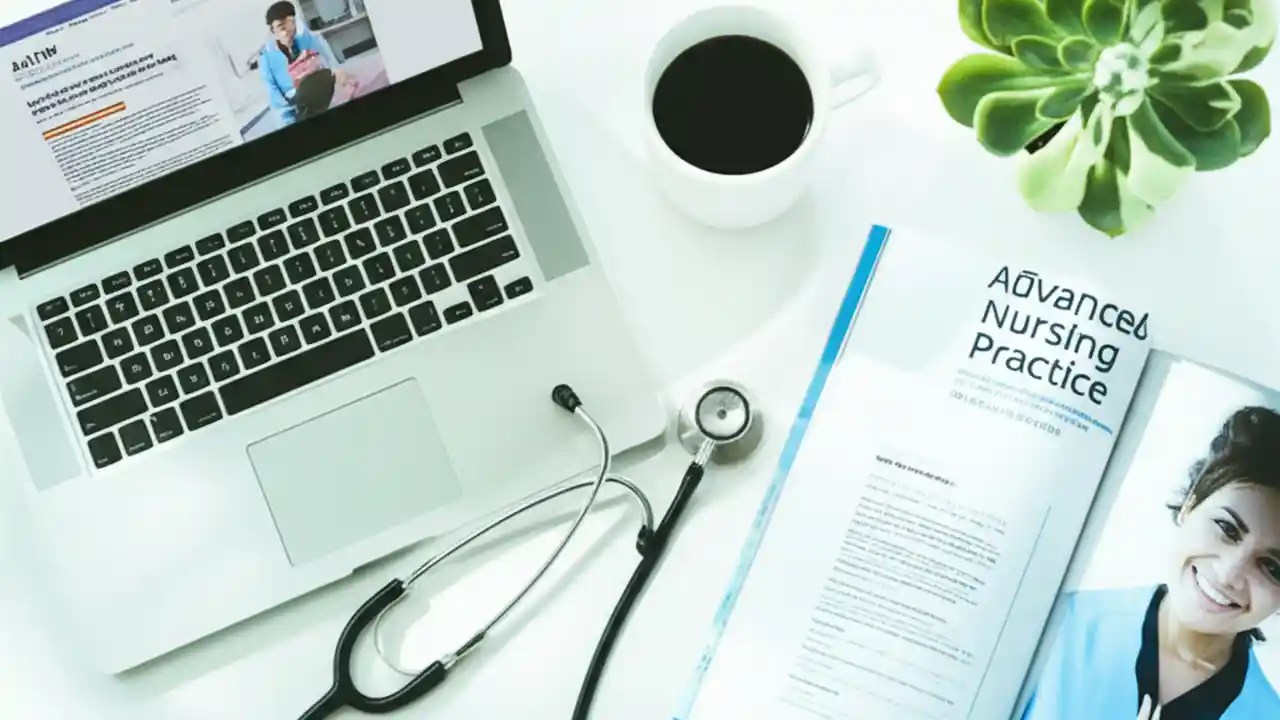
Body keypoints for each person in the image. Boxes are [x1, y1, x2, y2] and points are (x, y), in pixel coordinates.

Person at [1022, 406, 1280, 719]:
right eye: (1227, 529)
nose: (1229, 574)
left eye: (1272, 568)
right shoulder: (1052, 625)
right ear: (1190, 504)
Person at [259, 1, 356, 126]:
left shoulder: (309, 39)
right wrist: (288, 119)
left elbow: (330, 64)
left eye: (290, 22)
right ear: (273, 31)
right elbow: (273, 93)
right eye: (281, 26)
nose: (287, 30)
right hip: (295, 103)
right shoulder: (266, 58)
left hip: (319, 89)